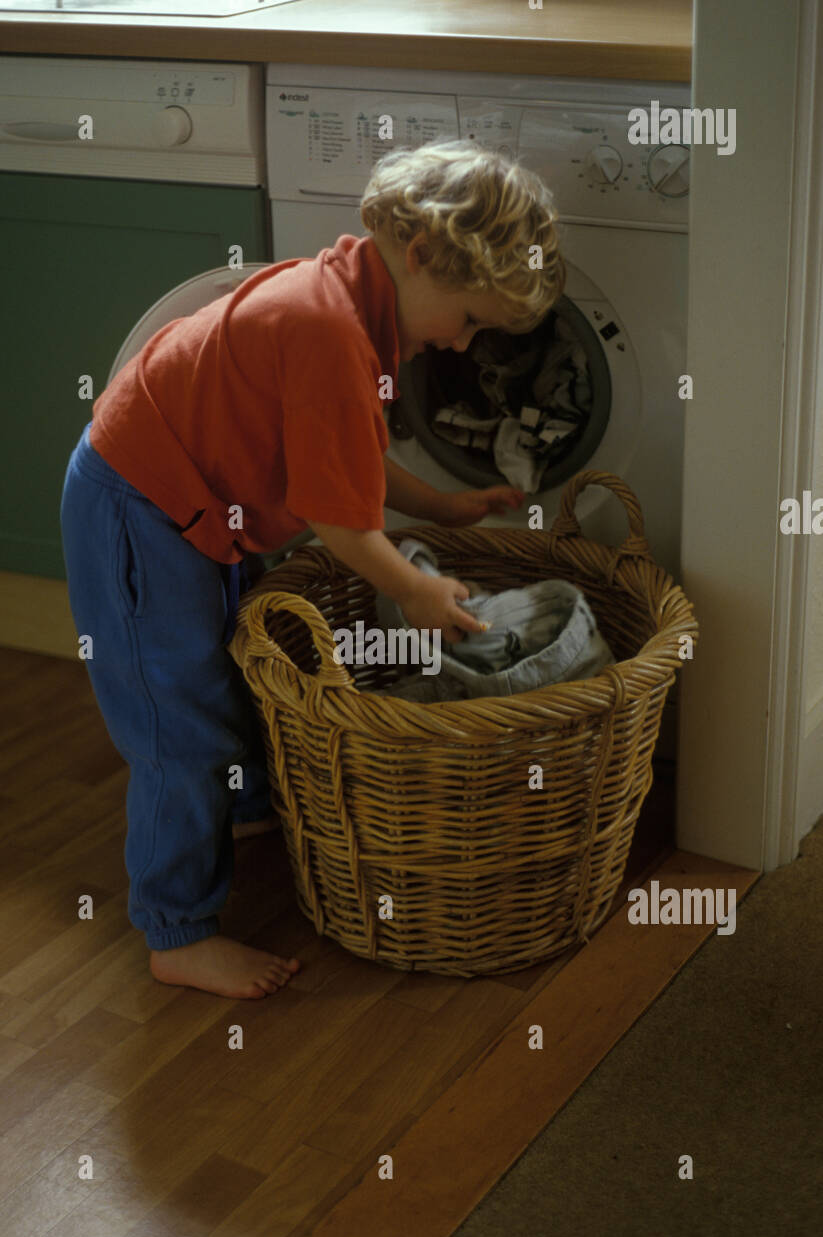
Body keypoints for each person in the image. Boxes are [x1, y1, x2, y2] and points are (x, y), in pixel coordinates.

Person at [59, 139, 566, 1000]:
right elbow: (336, 517)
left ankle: (246, 808)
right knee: (173, 721)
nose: (462, 341)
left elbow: (345, 460)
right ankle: (175, 930)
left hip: (192, 497)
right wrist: (414, 588)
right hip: (138, 506)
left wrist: (439, 508)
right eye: (470, 317)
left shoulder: (355, 308)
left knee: (232, 662)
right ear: (421, 255)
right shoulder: (326, 327)